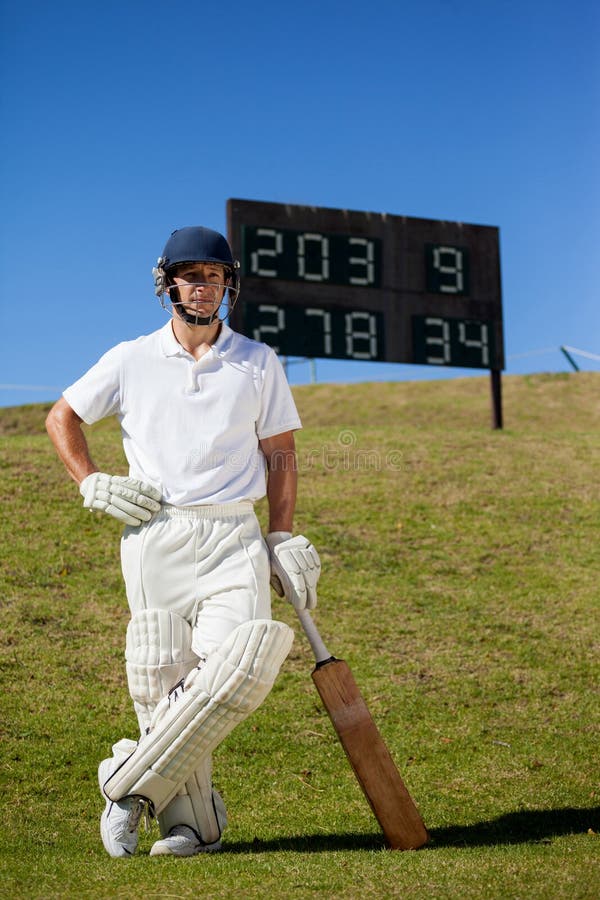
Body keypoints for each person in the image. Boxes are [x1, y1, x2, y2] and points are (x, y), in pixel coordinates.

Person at [46, 226, 320, 858]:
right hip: (154, 530)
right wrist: (90, 483)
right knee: (161, 670)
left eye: (216, 276)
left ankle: (124, 782)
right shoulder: (130, 358)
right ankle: (192, 827)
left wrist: (280, 532)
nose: (204, 287)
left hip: (234, 533)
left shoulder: (257, 362)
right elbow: (62, 417)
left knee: (237, 670)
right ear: (167, 282)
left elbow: (279, 452)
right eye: (192, 275)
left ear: (229, 285)